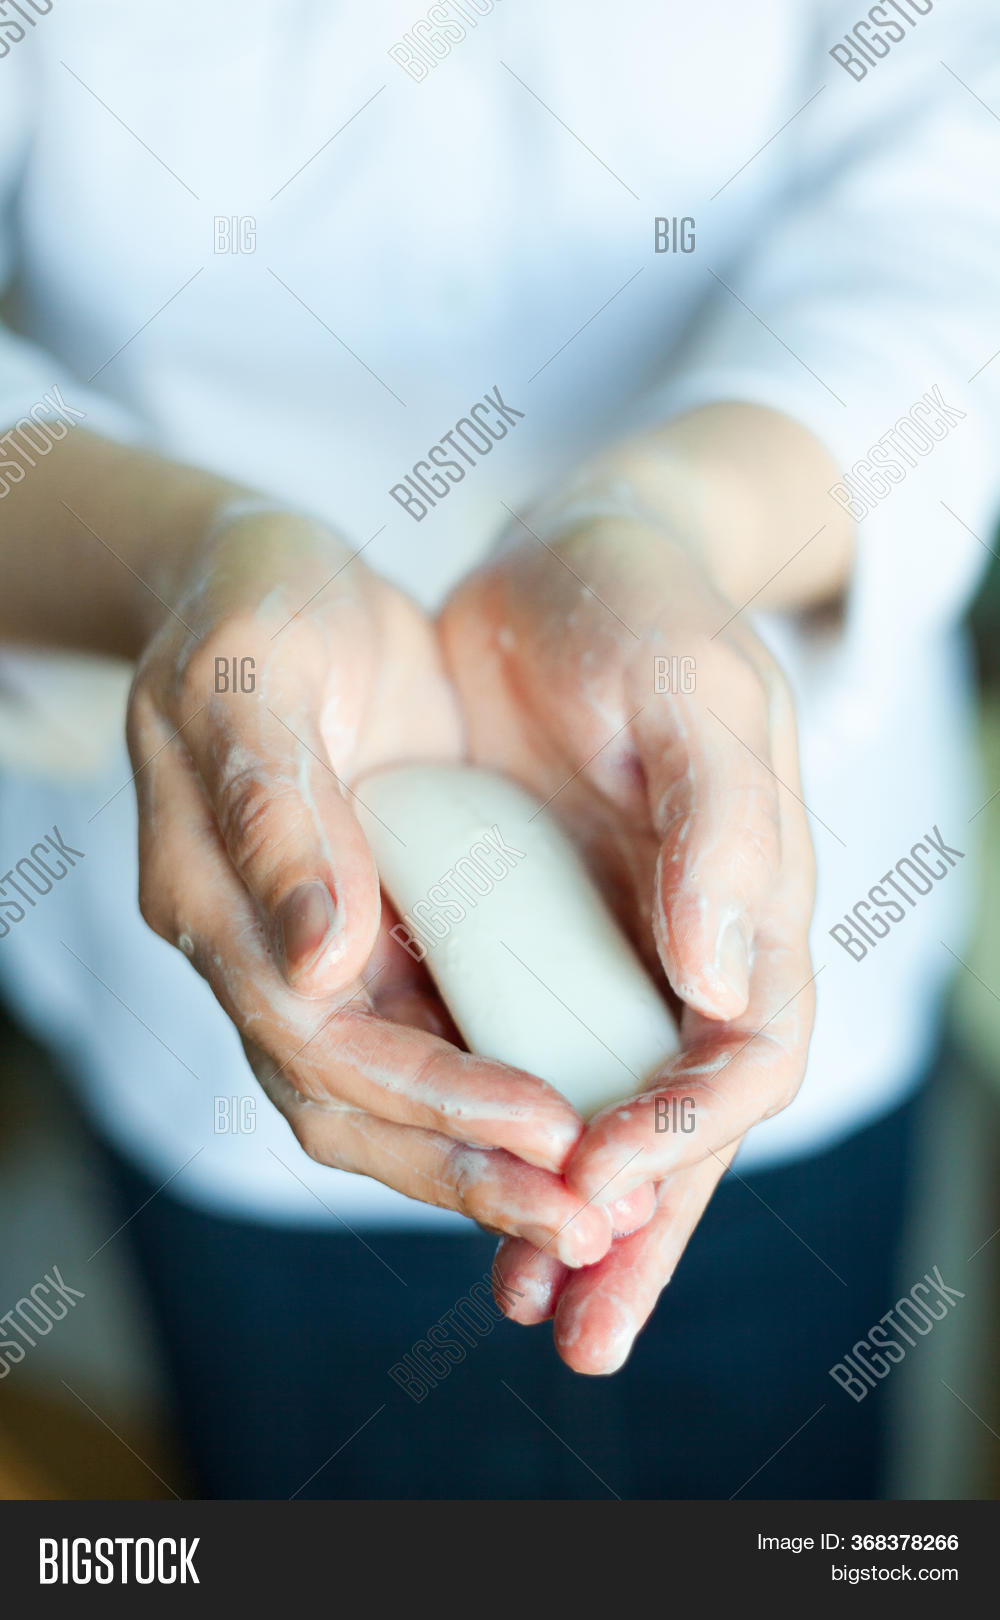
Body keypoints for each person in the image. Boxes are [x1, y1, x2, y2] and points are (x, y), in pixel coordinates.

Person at [0, 1, 996, 1497]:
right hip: (230, 960)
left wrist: (667, 526)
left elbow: (953, 217)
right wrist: (189, 568)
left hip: (757, 883)